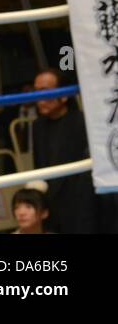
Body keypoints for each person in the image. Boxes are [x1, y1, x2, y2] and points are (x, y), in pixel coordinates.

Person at [30, 67, 103, 233]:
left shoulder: (83, 121)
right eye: (36, 92)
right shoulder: (38, 126)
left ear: (63, 95)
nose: (39, 98)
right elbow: (39, 166)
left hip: (84, 202)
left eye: (45, 91)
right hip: (53, 204)